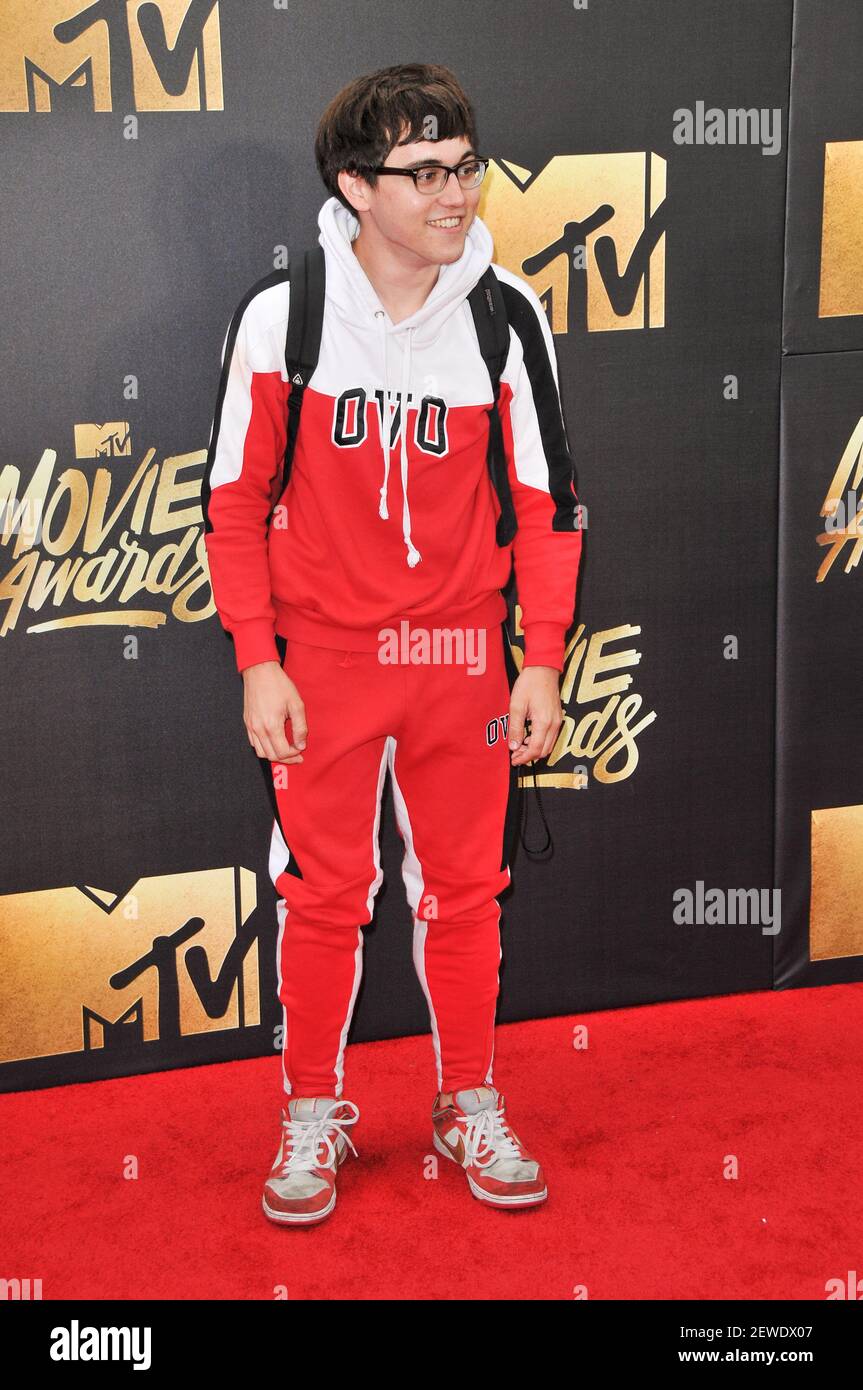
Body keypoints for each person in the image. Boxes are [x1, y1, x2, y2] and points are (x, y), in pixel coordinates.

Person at [202, 63, 582, 1225]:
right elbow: (232, 500)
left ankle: (466, 1096)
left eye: (465, 166)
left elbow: (546, 503)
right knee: (323, 896)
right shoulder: (287, 314)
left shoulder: (507, 313)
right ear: (354, 184)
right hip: (323, 655)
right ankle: (310, 1108)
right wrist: (256, 657)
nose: (455, 192)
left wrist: (538, 656)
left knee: (466, 893)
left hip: (462, 656)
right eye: (423, 172)